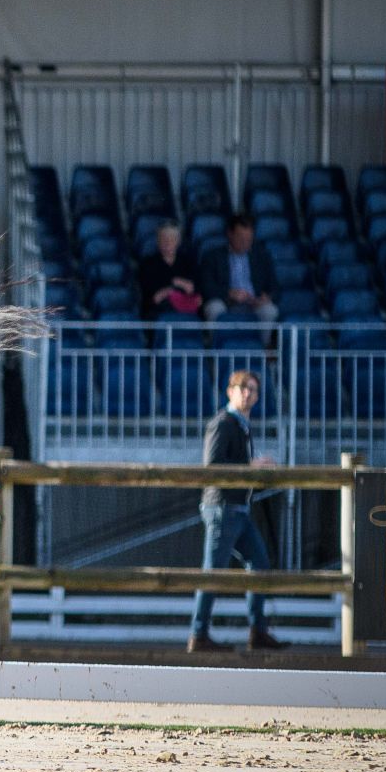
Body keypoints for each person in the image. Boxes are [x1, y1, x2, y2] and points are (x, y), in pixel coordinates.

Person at [188, 369, 288, 653]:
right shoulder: (223, 423)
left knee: (258, 564)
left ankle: (257, 631)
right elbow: (213, 467)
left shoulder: (240, 424)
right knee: (213, 573)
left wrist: (252, 466)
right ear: (229, 391)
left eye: (253, 390)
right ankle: (198, 634)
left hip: (238, 509)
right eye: (243, 387)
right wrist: (250, 467)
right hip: (223, 508)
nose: (248, 393)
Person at [198, 215, 278, 323]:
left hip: (254, 303)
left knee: (269, 311)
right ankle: (217, 340)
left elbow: (275, 287)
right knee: (214, 308)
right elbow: (206, 288)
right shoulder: (212, 256)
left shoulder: (262, 257)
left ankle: (264, 341)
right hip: (225, 301)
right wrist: (229, 293)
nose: (245, 242)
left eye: (249, 239)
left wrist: (267, 297)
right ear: (230, 234)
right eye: (241, 238)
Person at [137, 220, 200, 319]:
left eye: (172, 239)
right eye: (163, 239)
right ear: (158, 241)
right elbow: (153, 297)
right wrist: (175, 286)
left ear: (178, 241)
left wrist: (176, 284)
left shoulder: (187, 262)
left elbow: (193, 288)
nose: (167, 243)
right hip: (158, 310)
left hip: (186, 307)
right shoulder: (148, 264)